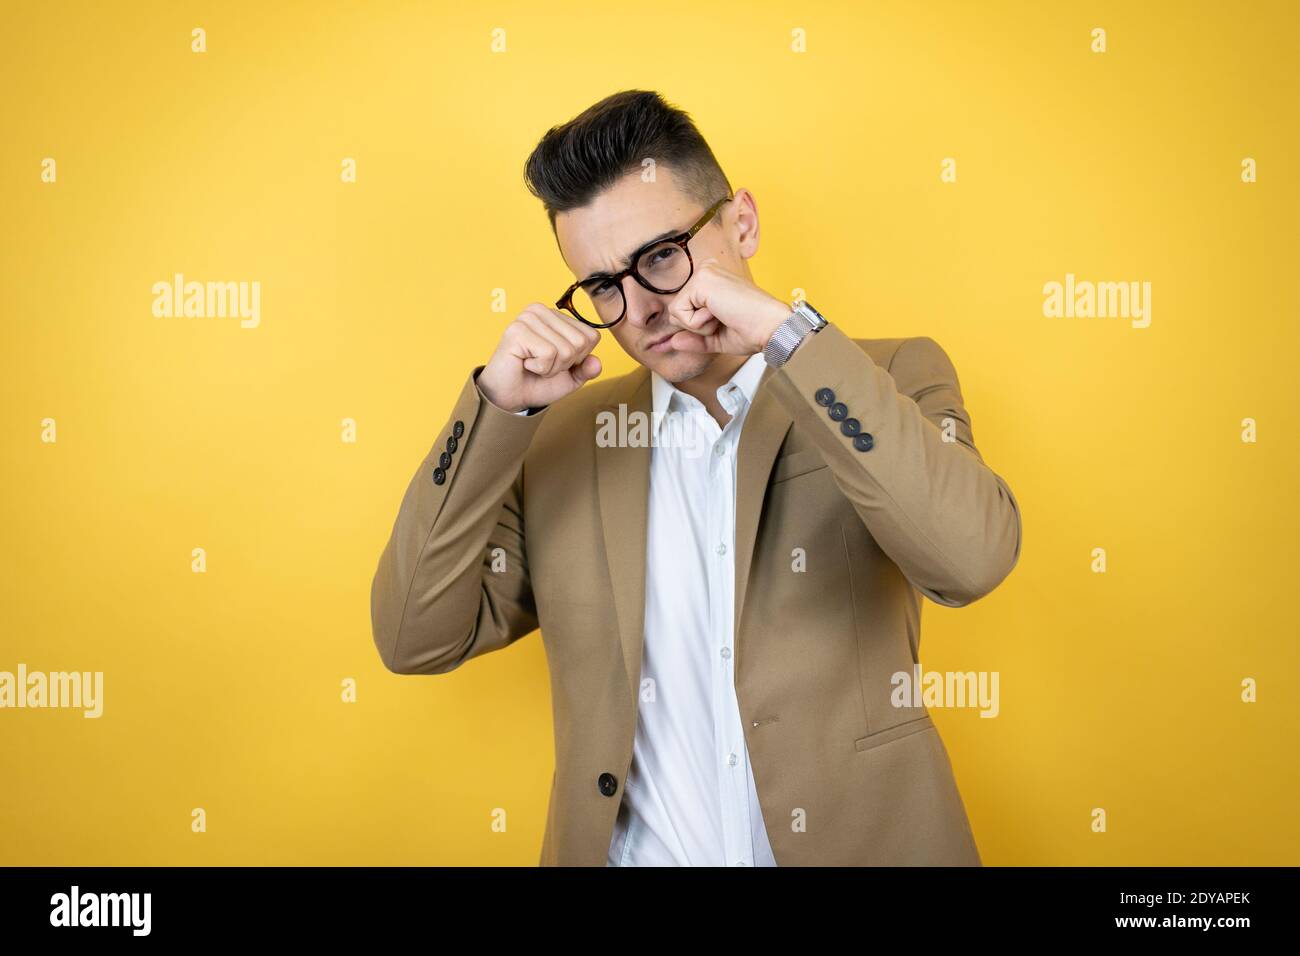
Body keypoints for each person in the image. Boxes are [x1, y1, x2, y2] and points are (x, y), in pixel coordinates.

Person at [370, 89, 1023, 866]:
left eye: (660, 256)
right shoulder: (561, 440)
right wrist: (495, 409)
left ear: (740, 222)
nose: (642, 307)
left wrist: (789, 338)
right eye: (605, 285)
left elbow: (972, 558)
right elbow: (414, 636)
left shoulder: (882, 377)